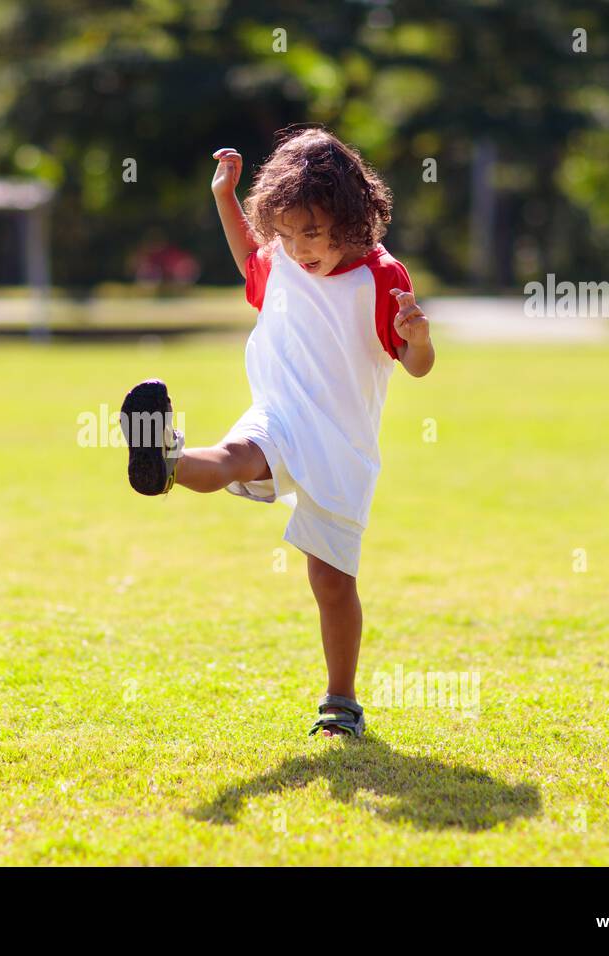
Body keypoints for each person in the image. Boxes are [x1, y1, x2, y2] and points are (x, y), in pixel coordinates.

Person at [119, 126, 435, 737]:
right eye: (285, 235)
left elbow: (415, 364)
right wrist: (225, 198)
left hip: (339, 444)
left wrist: (419, 339)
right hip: (280, 410)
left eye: (311, 234)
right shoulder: (285, 259)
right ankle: (165, 458)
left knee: (332, 583)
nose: (297, 250)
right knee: (233, 456)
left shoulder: (382, 278)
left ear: (349, 216)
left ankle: (340, 701)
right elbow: (251, 261)